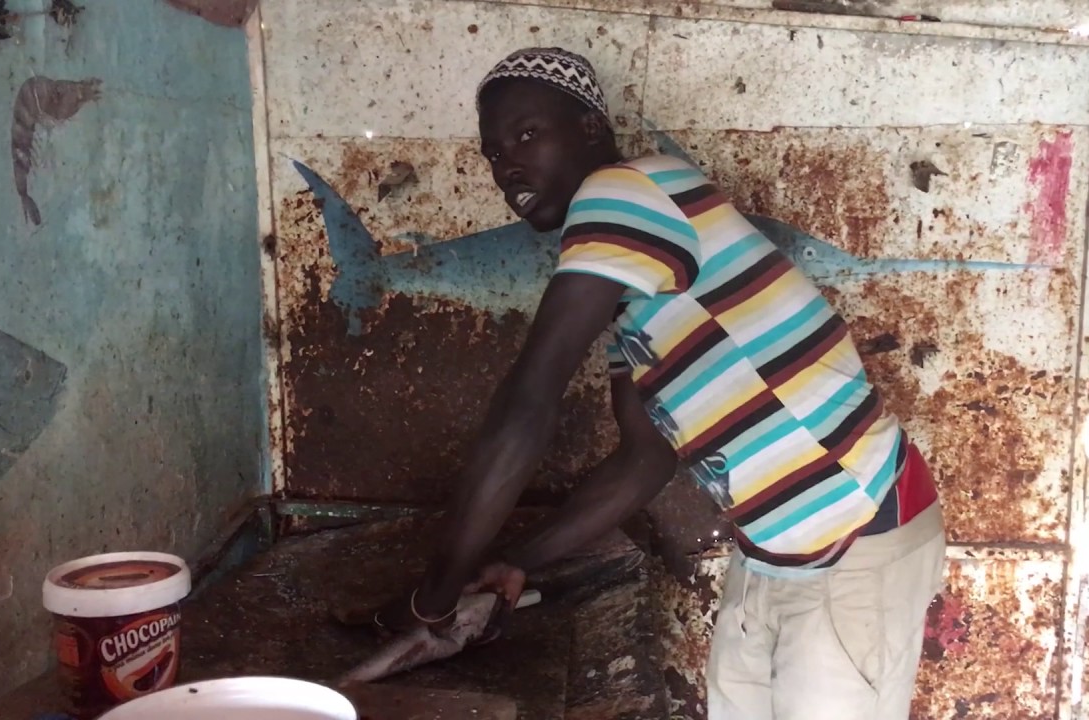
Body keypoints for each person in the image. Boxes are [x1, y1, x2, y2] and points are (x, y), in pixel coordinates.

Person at [372, 47, 946, 720]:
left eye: (528, 135)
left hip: (859, 532)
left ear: (591, 129)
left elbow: (529, 399)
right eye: (495, 153)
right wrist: (515, 562)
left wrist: (433, 599)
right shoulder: (632, 294)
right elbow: (644, 461)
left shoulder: (626, 191)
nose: (510, 167)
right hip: (773, 551)